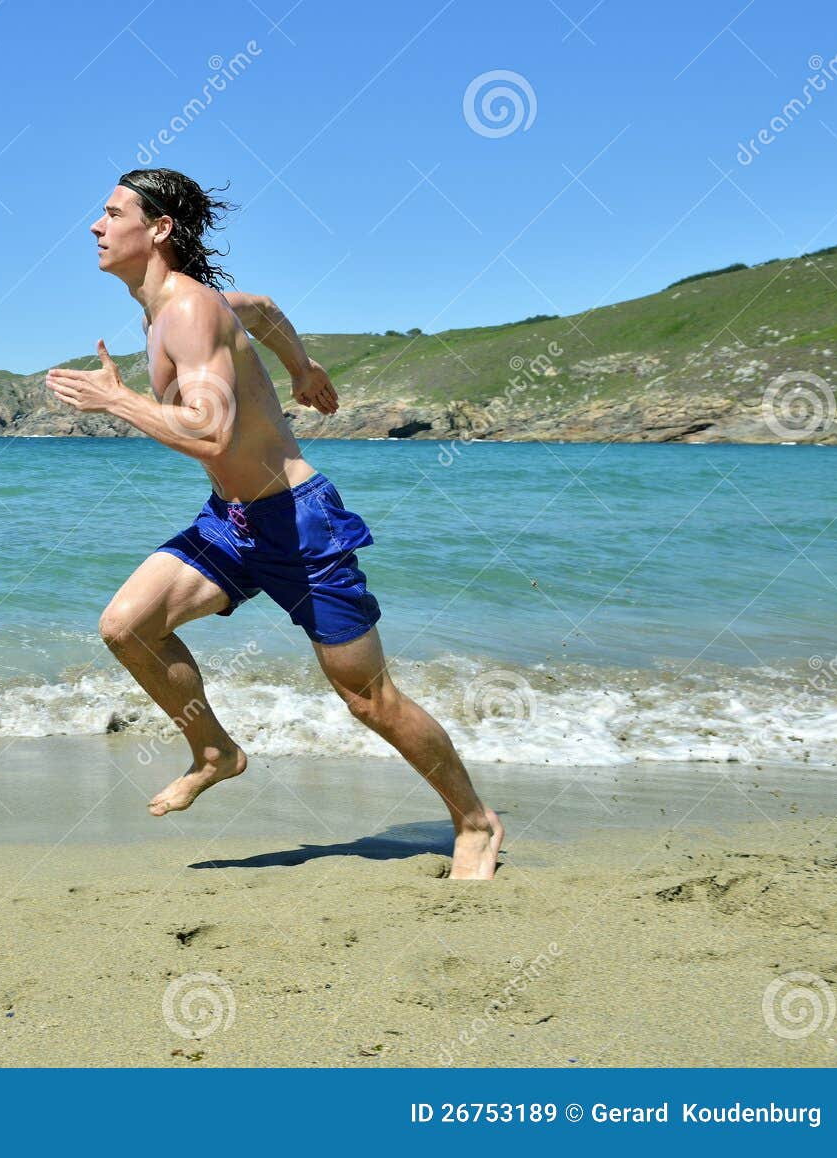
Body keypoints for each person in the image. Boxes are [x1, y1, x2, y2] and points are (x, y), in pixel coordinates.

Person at [45, 167, 503, 880]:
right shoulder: (168, 306)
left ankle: (474, 821)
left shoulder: (189, 311)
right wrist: (301, 366)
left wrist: (117, 402)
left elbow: (210, 433)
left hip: (299, 524)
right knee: (126, 625)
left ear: (158, 229)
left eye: (111, 213)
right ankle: (215, 752)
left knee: (369, 700)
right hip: (232, 521)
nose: (96, 227)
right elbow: (257, 308)